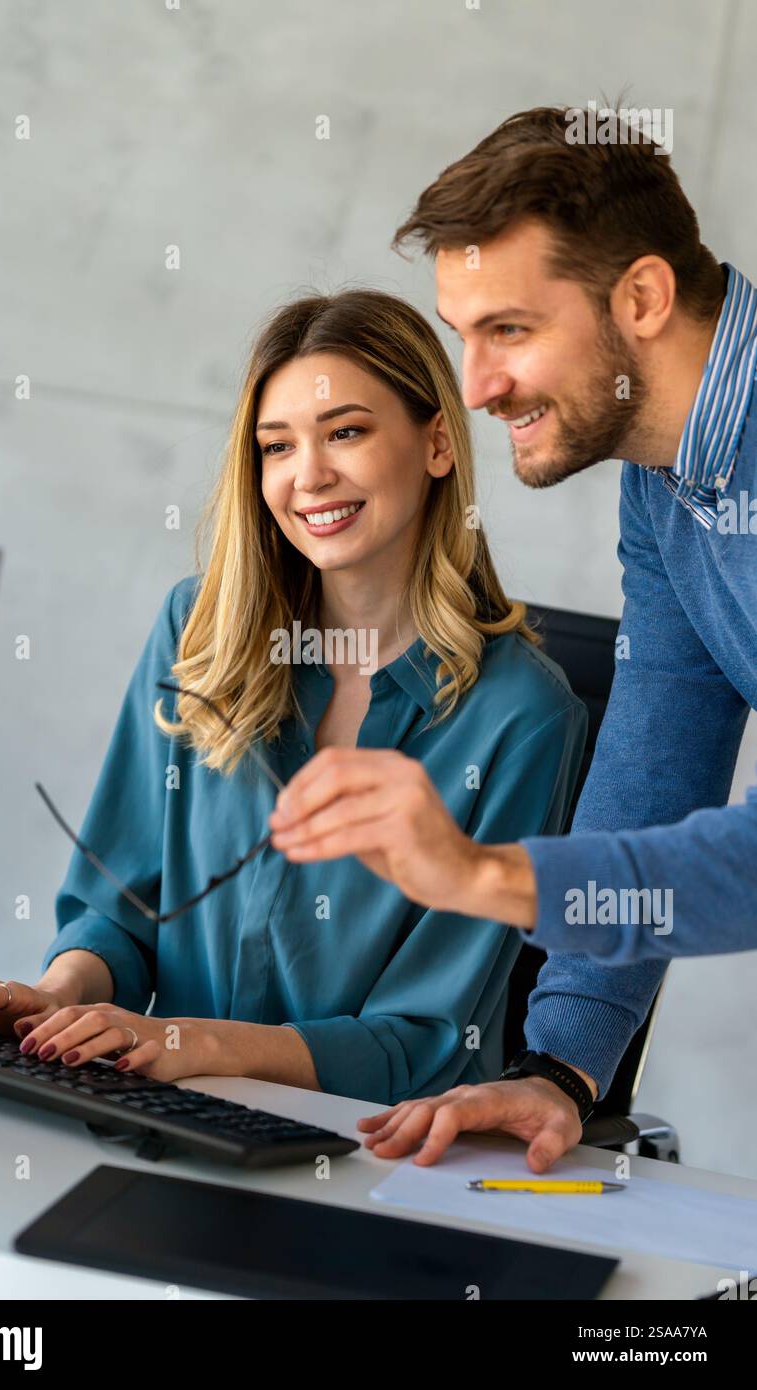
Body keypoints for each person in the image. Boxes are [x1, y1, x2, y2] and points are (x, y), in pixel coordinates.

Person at [0, 288, 586, 1105]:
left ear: (438, 443)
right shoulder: (197, 631)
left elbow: (423, 1041)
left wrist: (185, 1041)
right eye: (277, 447)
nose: (308, 477)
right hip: (160, 1113)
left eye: (346, 431)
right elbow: (120, 907)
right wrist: (62, 995)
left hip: (371, 1156)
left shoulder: (523, 715)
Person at [268, 105, 757, 1166]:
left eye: (508, 330)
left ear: (639, 297)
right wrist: (559, 1069)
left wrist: (482, 875)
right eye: (461, 336)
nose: (476, 384)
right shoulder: (663, 479)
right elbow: (652, 765)